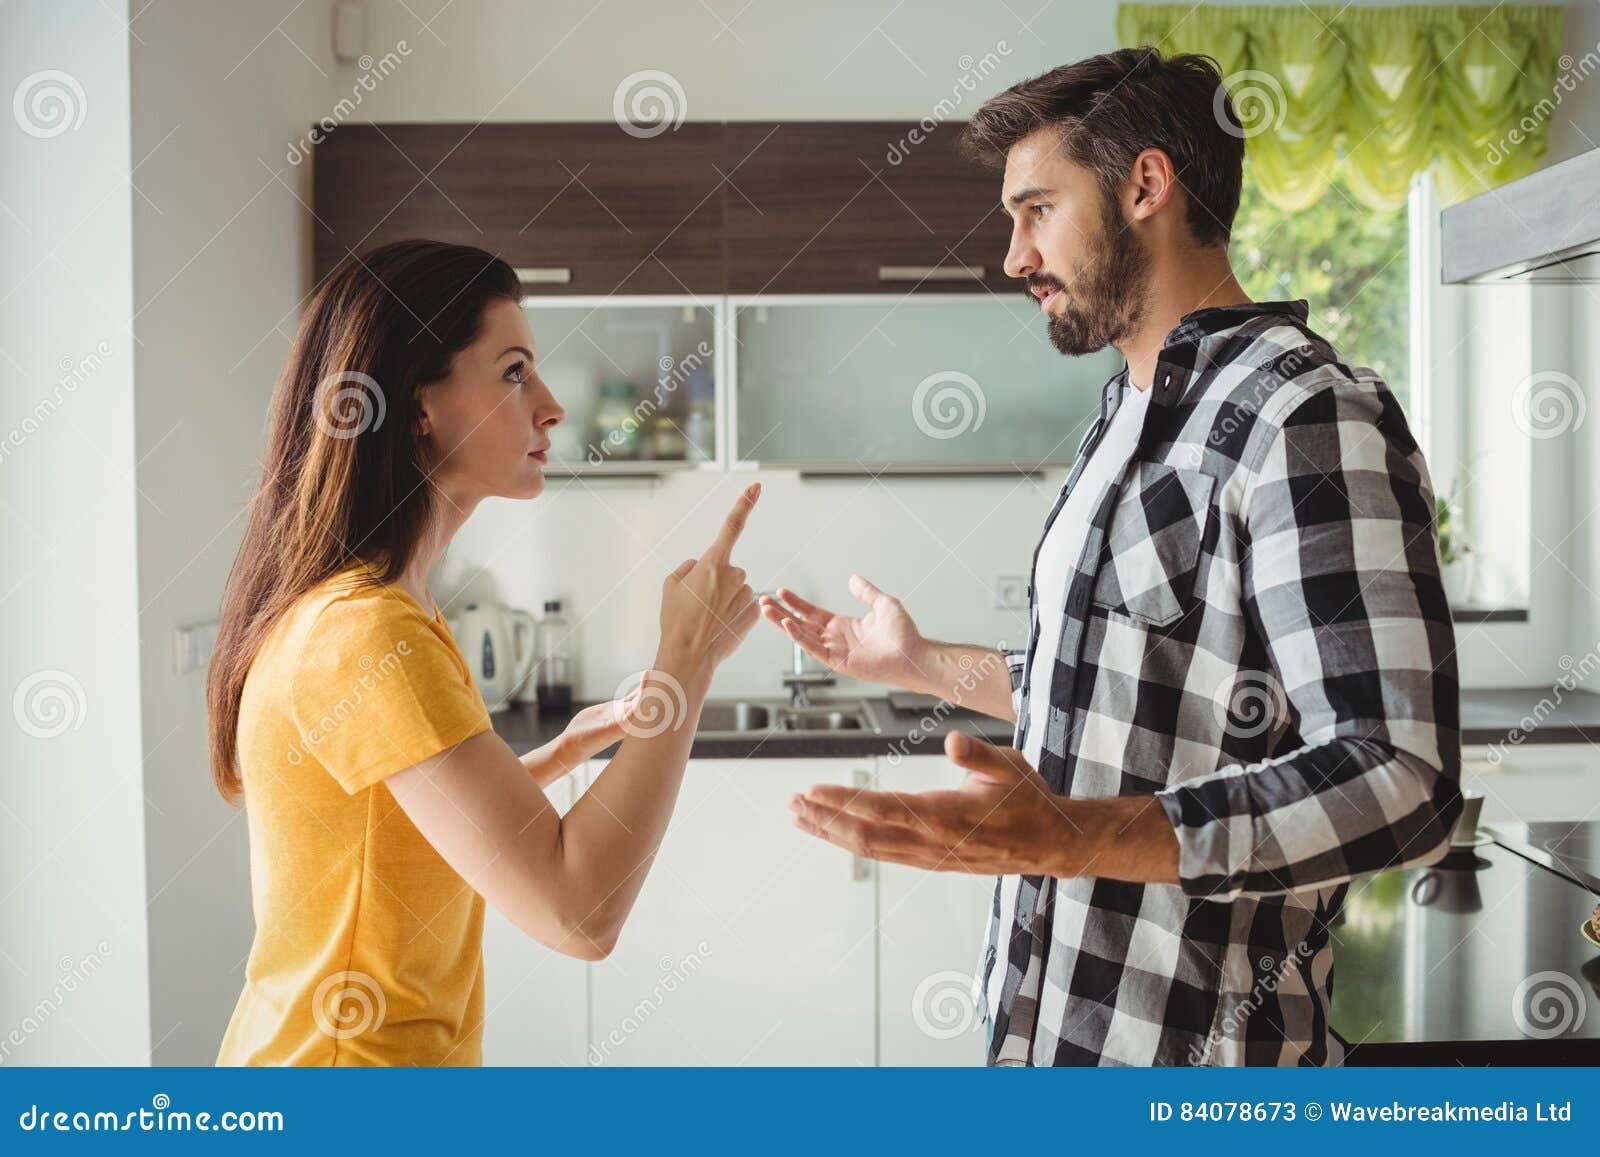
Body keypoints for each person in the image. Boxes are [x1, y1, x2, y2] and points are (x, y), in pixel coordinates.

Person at [763, 47, 1461, 1066]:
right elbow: (1120, 691)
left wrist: (1076, 833)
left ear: (1145, 185)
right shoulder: (1124, 416)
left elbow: (1402, 778)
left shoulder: (1303, 417)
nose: (1011, 255)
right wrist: (921, 666)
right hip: (1043, 1043)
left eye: (1036, 208)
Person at [208, 239, 761, 1065]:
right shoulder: (368, 632)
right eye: (513, 371)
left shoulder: (378, 609)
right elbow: (579, 913)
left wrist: (552, 759)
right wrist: (688, 657)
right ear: (418, 402)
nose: (550, 406)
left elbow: (388, 824)